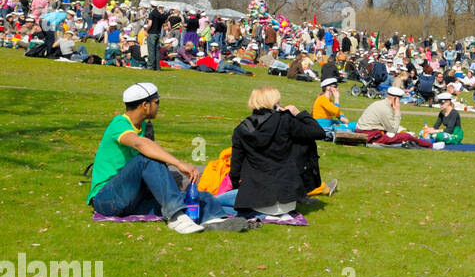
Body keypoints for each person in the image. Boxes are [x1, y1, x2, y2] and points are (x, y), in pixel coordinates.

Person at [86, 82, 247, 233]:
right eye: (156, 102)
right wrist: (178, 163)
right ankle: (176, 217)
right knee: (146, 159)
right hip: (106, 200)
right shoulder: (119, 124)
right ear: (145, 105)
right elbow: (140, 145)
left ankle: (213, 220)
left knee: (200, 197)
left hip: (133, 199)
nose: (158, 106)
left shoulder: (141, 126)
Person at [227, 87, 333, 217]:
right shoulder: (285, 120)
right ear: (274, 103)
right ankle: (306, 185)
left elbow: (235, 168)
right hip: (287, 200)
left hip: (254, 201)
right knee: (303, 140)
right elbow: (319, 132)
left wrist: (236, 189)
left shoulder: (241, 129)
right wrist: (299, 113)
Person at [356, 85, 432, 147]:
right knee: (406, 137)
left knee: (404, 134)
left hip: (365, 132)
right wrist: (397, 110)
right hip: (371, 136)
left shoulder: (379, 103)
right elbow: (393, 130)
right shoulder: (385, 109)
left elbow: (389, 125)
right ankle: (430, 145)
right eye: (400, 99)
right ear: (396, 98)